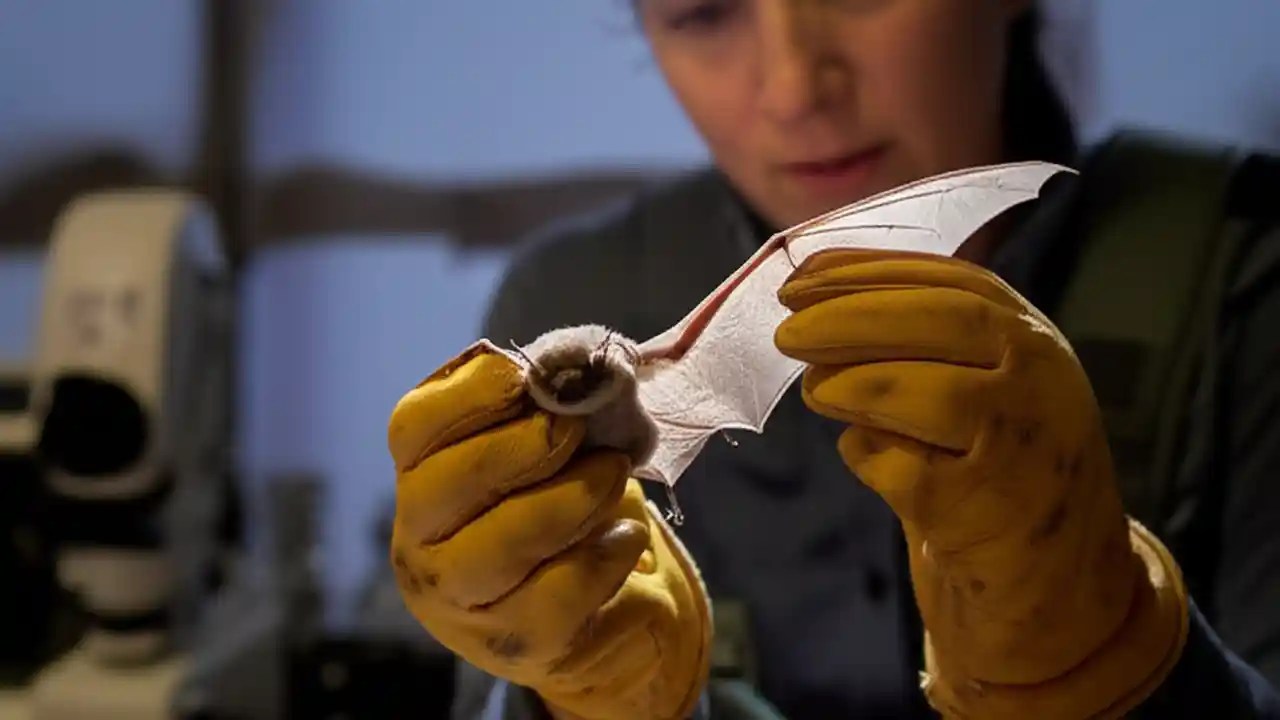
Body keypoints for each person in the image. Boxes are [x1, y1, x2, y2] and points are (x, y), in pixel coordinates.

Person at [386, 1, 1280, 717]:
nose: (794, 90)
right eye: (703, 12)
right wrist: (582, 699)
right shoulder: (572, 305)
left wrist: (1108, 658)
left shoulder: (1238, 266)